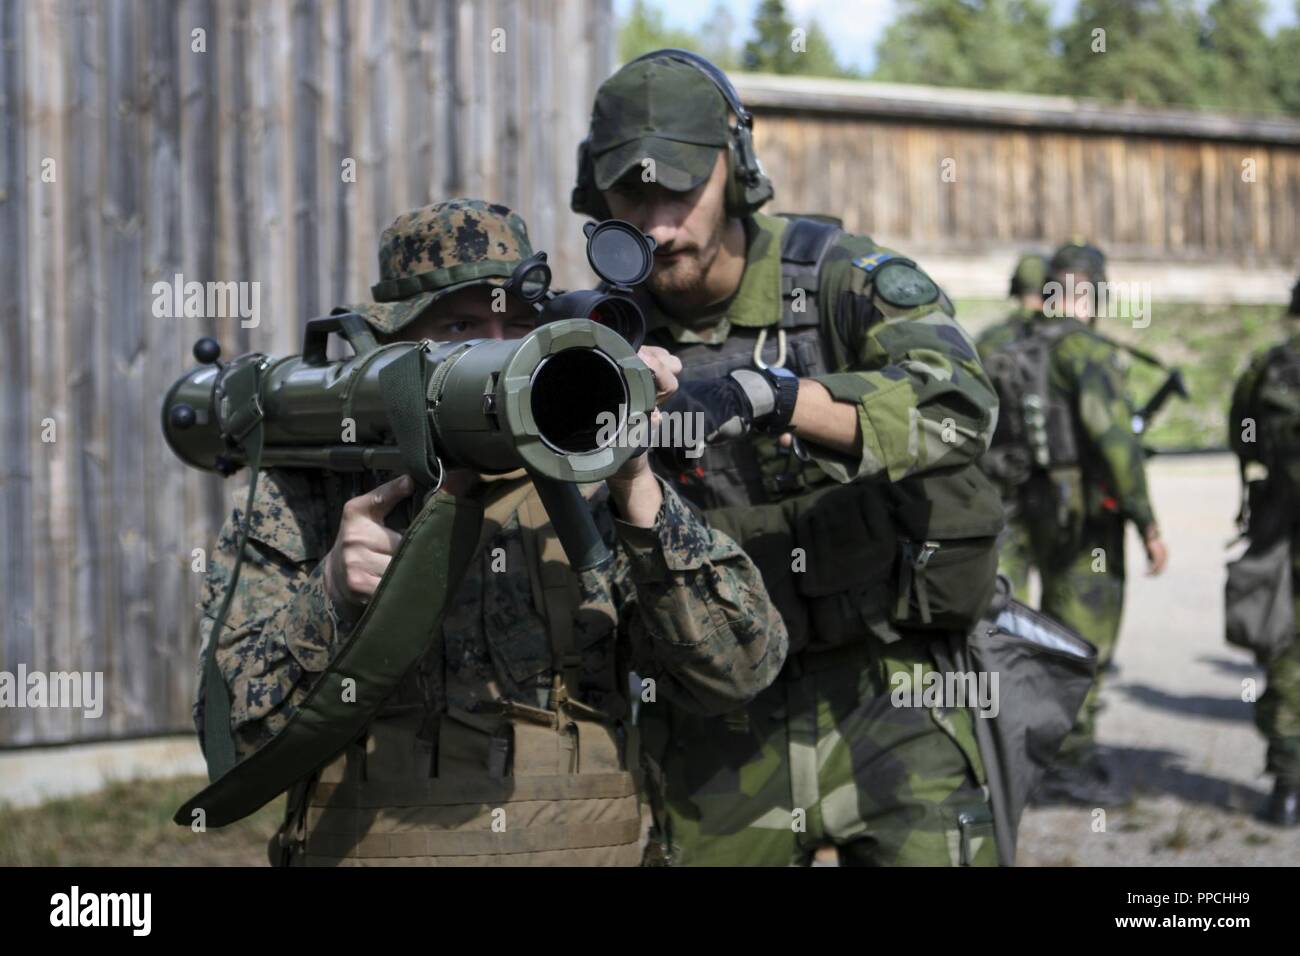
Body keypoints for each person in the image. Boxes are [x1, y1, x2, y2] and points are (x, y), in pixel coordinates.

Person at [192, 198, 788, 865]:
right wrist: (330, 593)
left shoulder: (593, 486)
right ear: (392, 350)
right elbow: (236, 733)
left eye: (520, 326)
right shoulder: (310, 494)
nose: (502, 355)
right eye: (461, 327)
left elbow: (739, 670)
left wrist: (636, 482)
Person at [572, 50, 1004, 865]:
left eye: (681, 191)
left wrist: (768, 398)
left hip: (889, 690)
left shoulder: (839, 279)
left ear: (735, 174)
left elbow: (959, 405)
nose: (659, 226)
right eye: (633, 196)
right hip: (714, 717)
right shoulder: (598, 331)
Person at [977, 240, 1169, 806]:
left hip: (1006, 509)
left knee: (1005, 631)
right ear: (1089, 291)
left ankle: (1004, 757)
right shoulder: (1084, 352)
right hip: (1080, 521)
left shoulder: (998, 343)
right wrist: (1147, 522)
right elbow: (1117, 445)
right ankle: (1069, 761)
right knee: (1081, 634)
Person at [1227, 275, 1300, 827]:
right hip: (1279, 527)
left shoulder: (1266, 367)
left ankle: (1287, 785)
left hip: (1279, 527)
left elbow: (1243, 435)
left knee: (1282, 652)